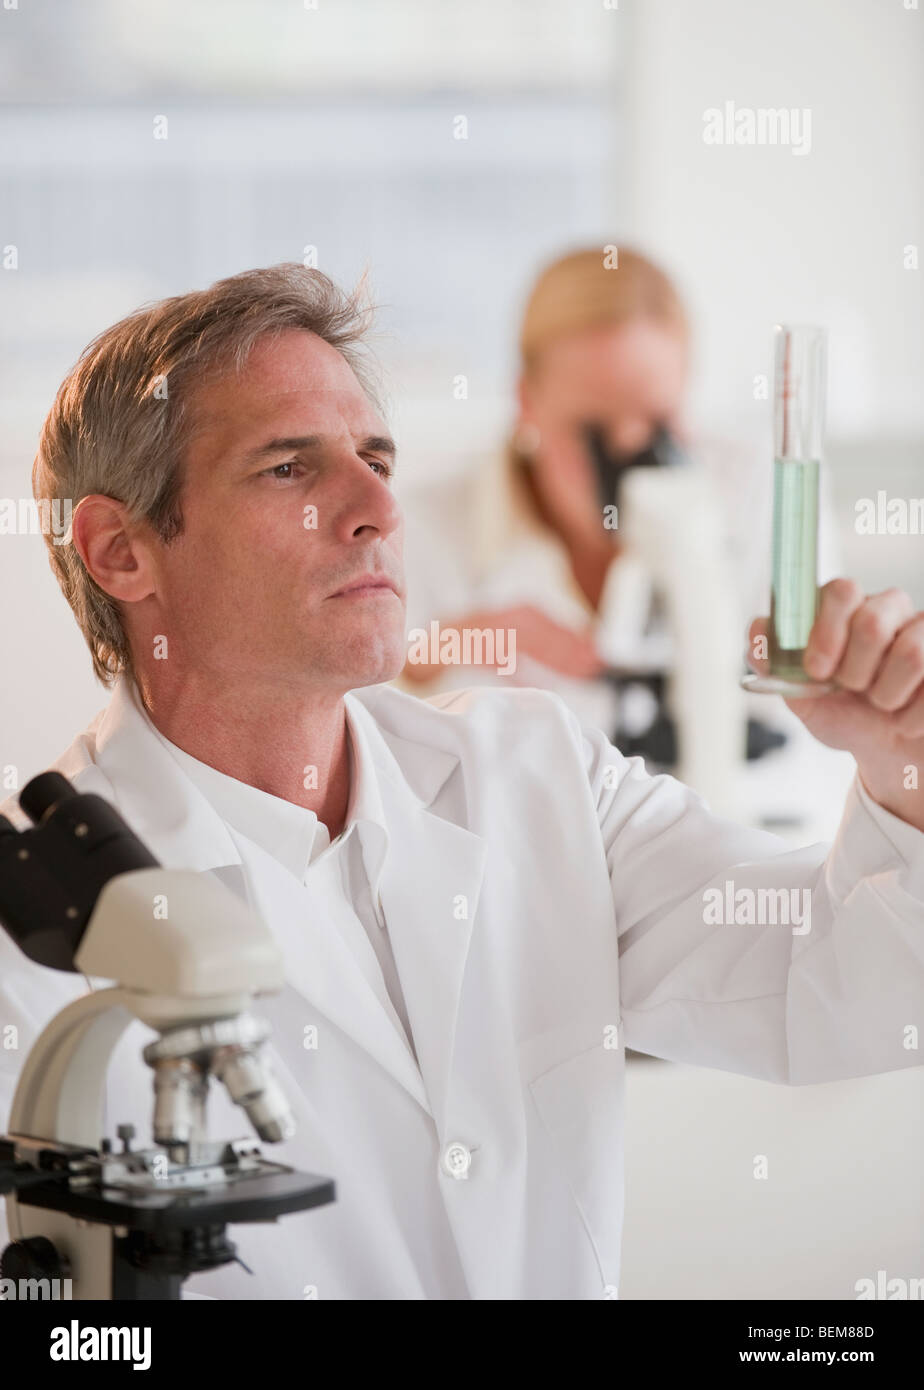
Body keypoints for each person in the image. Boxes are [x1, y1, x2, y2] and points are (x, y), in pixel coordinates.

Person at [1, 264, 922, 1301]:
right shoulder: (32, 928)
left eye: (378, 456)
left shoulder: (537, 774)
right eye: (290, 469)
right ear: (121, 550)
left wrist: (907, 771)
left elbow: (846, 990)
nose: (381, 507)